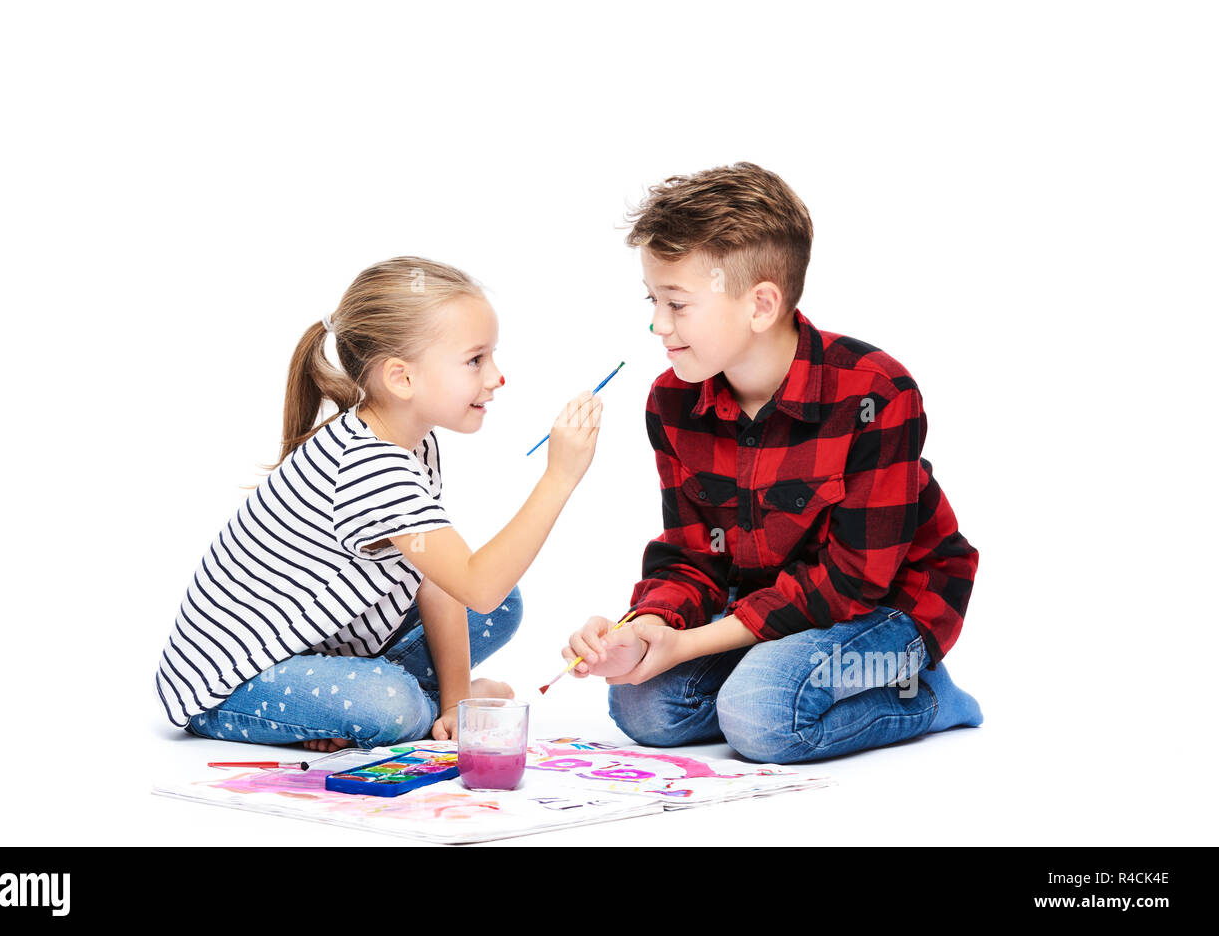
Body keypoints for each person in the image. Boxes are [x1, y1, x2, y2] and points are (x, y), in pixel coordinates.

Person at [563, 163, 982, 763]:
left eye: (677, 304)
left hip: (890, 607)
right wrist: (647, 624)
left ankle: (929, 696)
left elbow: (854, 582)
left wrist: (692, 645)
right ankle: (767, 676)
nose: (658, 325)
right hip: (769, 608)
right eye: (653, 300)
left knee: (761, 716)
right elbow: (692, 556)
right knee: (642, 705)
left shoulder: (875, 392)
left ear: (761, 305)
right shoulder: (673, 400)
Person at [156, 256, 603, 751]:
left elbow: (442, 582)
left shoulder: (414, 442)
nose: (498, 376)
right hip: (229, 682)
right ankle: (384, 705)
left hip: (319, 647)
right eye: (476, 359)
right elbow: (476, 582)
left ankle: (392, 705)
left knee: (502, 604)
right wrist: (559, 477)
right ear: (402, 378)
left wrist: (459, 705)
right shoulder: (371, 468)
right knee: (394, 706)